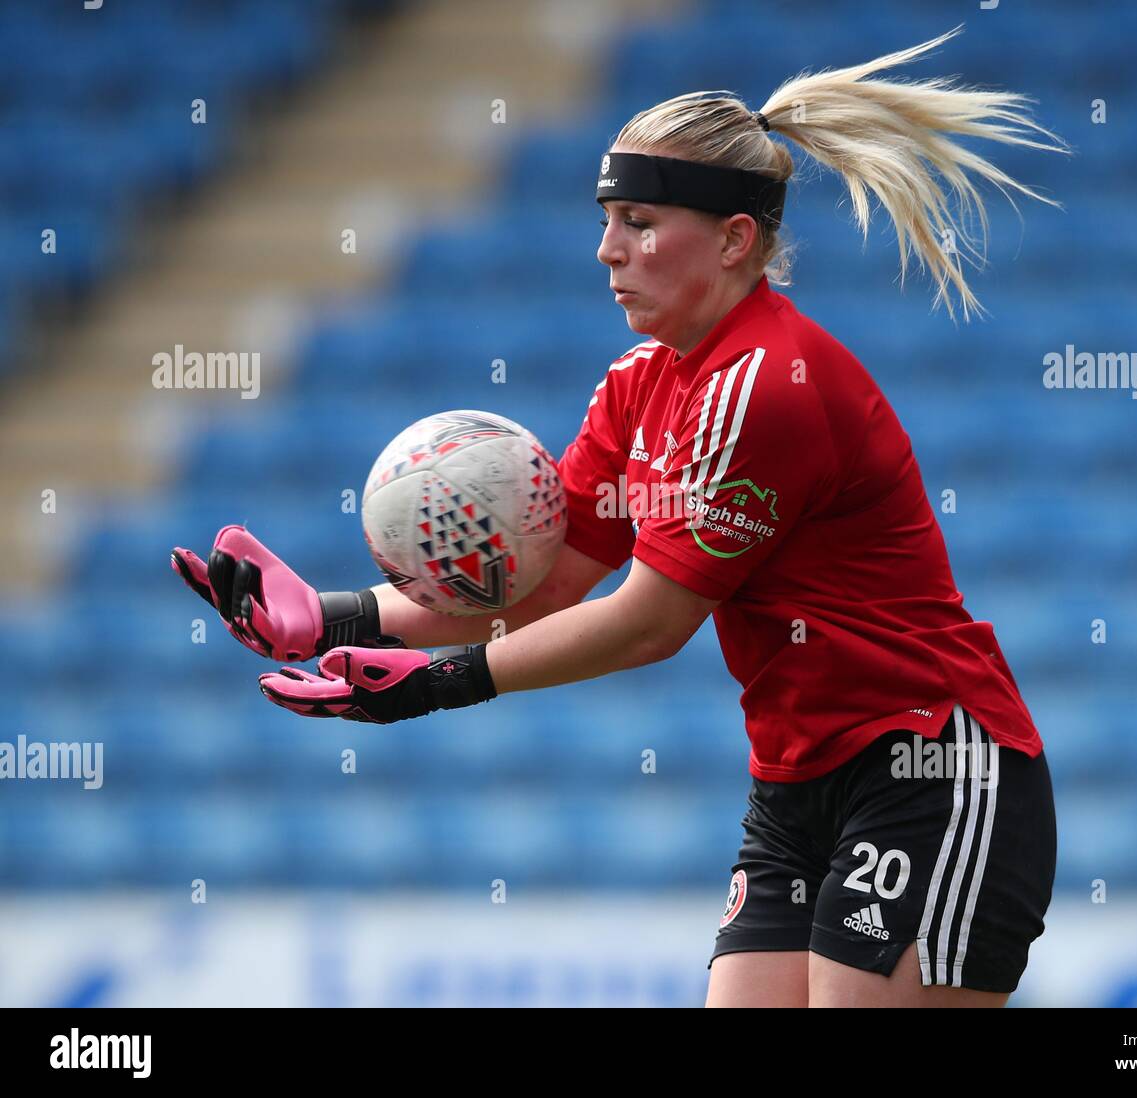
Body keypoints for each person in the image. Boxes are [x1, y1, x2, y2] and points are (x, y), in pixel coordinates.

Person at [172, 26, 1066, 1007]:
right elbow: (546, 583)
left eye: (639, 221)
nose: (607, 250)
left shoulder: (764, 384)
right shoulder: (641, 384)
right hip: (794, 784)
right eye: (607, 220)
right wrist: (333, 618)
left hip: (927, 765)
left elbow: (649, 622)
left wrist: (440, 685)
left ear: (734, 240)